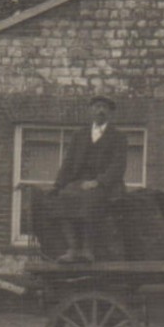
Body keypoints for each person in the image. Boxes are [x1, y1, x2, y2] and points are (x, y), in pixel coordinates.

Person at [47, 95, 126, 263]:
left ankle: (87, 249)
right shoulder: (79, 135)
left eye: (105, 107)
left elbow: (118, 166)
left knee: (90, 200)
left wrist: (99, 181)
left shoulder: (118, 136)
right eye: (97, 107)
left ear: (110, 113)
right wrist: (58, 185)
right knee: (63, 198)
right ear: (91, 110)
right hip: (80, 181)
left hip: (105, 184)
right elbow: (68, 162)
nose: (101, 111)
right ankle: (72, 248)